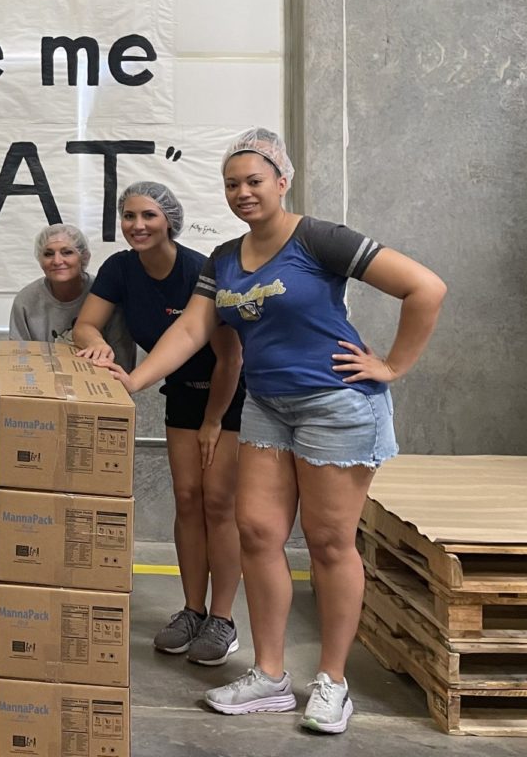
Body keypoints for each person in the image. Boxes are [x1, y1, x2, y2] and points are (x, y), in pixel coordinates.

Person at [98, 129, 445, 735]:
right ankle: (270, 675)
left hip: (335, 405)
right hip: (267, 405)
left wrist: (391, 365)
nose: (242, 193)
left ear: (281, 181)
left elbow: (425, 287)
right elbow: (190, 333)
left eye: (254, 181)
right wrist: (131, 380)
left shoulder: (318, 238)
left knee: (329, 541)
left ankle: (333, 681)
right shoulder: (225, 258)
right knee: (257, 532)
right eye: (232, 184)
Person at [73, 182, 245, 667]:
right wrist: (97, 343)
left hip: (226, 396)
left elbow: (230, 356)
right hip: (178, 395)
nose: (137, 225)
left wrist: (214, 420)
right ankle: (193, 609)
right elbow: (86, 323)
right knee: (187, 497)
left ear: (169, 219)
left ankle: (224, 620)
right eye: (128, 216)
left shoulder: (198, 270)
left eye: (148, 215)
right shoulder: (120, 268)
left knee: (219, 503)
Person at [9, 223, 134, 362]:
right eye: (48, 254)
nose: (57, 261)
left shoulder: (104, 294)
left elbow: (123, 360)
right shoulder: (26, 301)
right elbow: (18, 358)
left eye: (67, 252)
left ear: (83, 256)